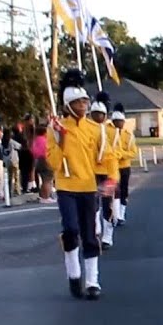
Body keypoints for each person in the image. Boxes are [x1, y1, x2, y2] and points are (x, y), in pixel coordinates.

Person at [47, 69, 119, 300]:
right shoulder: (56, 129)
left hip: (88, 187)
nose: (84, 105)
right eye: (79, 102)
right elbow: (54, 161)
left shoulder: (94, 129)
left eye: (86, 101)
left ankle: (92, 281)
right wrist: (62, 138)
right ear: (68, 104)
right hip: (67, 187)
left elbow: (108, 156)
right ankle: (74, 275)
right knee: (70, 231)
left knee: (89, 235)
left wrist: (112, 177)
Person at [88, 92, 121, 250]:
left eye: (100, 114)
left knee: (107, 205)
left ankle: (108, 236)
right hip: (90, 172)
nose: (97, 117)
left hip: (106, 172)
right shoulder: (86, 129)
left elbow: (113, 155)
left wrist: (113, 177)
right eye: (94, 114)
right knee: (92, 205)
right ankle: (96, 230)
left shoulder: (112, 131)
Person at [110, 103, 136, 226]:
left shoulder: (128, 136)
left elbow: (133, 152)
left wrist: (121, 154)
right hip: (111, 167)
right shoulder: (108, 133)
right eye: (115, 121)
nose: (118, 124)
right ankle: (115, 214)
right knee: (115, 191)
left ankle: (122, 213)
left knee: (124, 190)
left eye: (120, 121)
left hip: (124, 167)